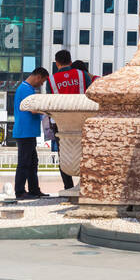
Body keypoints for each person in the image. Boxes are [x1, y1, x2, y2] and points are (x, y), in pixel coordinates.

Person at [46, 50, 92, 191]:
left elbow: (51, 101)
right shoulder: (82, 75)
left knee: (64, 155)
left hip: (61, 124)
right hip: (83, 120)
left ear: (57, 63)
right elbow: (90, 94)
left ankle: (68, 187)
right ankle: (86, 186)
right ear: (71, 62)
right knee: (87, 153)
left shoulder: (51, 80)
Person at [13, 67, 50, 200]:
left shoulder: (26, 88)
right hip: (25, 132)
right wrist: (48, 110)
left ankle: (34, 189)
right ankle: (20, 191)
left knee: (32, 162)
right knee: (24, 162)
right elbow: (33, 110)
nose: (42, 84)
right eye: (43, 81)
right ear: (38, 77)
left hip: (26, 131)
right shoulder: (26, 89)